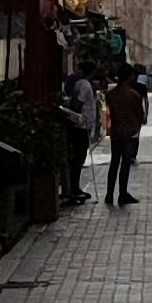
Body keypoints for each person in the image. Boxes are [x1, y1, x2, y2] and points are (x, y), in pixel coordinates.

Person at [103, 66, 148, 206]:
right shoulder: (133, 95)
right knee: (125, 164)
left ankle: (109, 194)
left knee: (114, 162)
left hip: (116, 132)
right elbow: (140, 115)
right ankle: (122, 193)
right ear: (129, 77)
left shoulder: (111, 95)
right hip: (129, 133)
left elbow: (107, 113)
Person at [56, 64, 99, 209]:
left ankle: (75, 188)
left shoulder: (80, 83)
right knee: (78, 158)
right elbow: (77, 104)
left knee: (78, 158)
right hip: (81, 126)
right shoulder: (85, 85)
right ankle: (73, 189)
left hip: (82, 126)